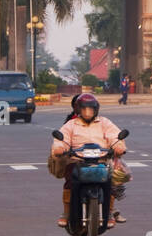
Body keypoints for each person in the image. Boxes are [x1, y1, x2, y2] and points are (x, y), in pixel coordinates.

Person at [51, 93, 128, 228]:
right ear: (79, 110)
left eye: (90, 109)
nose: (87, 113)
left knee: (111, 181)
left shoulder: (104, 122)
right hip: (77, 160)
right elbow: (62, 138)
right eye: (84, 109)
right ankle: (66, 213)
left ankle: (109, 212)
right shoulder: (71, 124)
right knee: (70, 179)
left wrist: (119, 146)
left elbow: (115, 135)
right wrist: (59, 148)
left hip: (101, 159)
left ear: (96, 109)